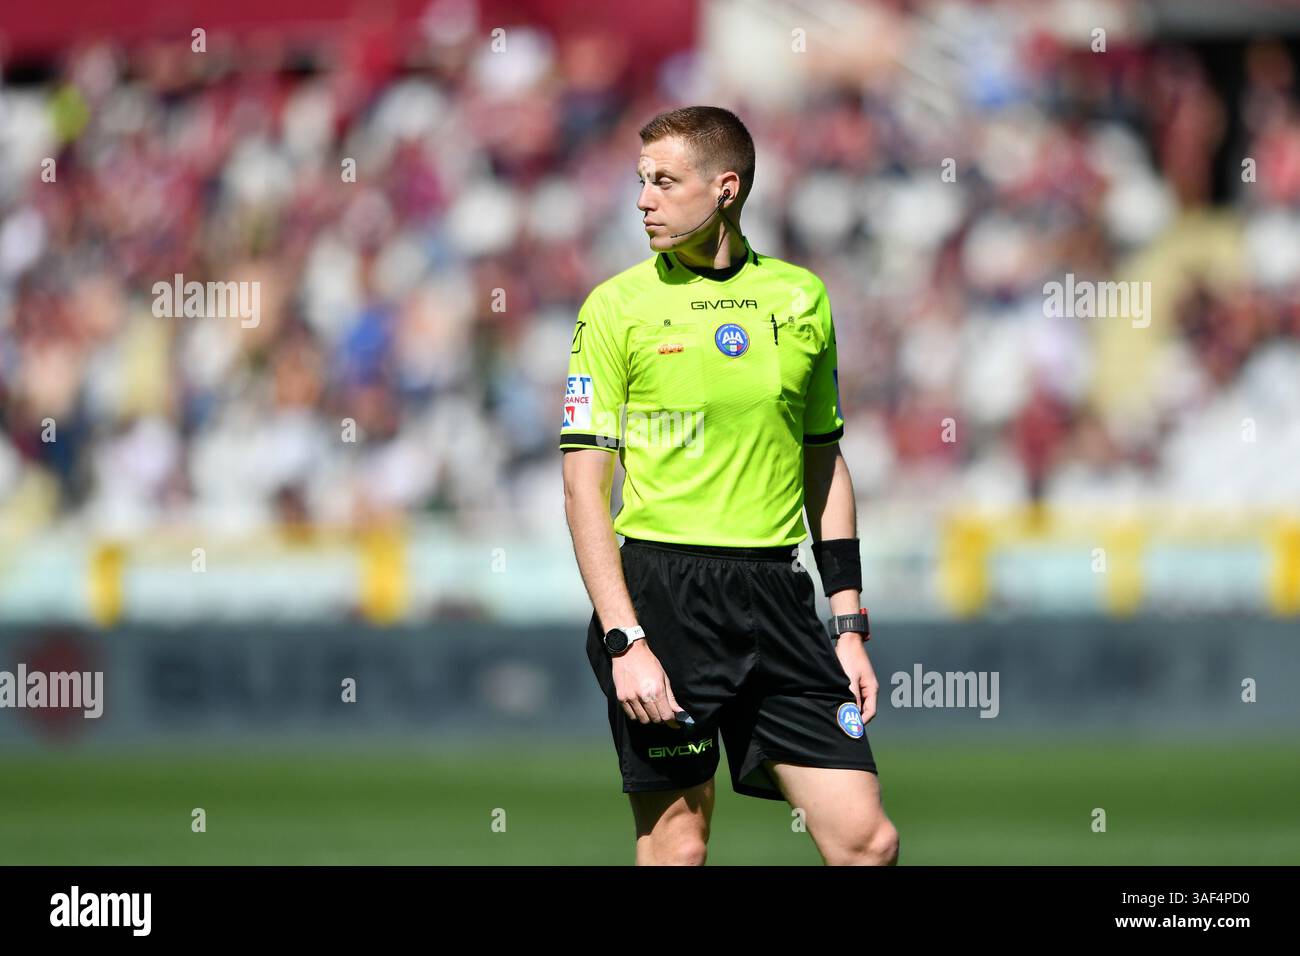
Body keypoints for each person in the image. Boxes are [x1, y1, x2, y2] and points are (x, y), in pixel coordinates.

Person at [560, 106, 899, 866]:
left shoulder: (801, 296)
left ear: (725, 188)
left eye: (664, 182)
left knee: (867, 841)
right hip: (662, 595)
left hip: (778, 596)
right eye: (640, 181)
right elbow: (585, 487)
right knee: (679, 847)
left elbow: (824, 459)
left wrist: (847, 620)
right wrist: (625, 640)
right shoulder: (614, 308)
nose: (643, 199)